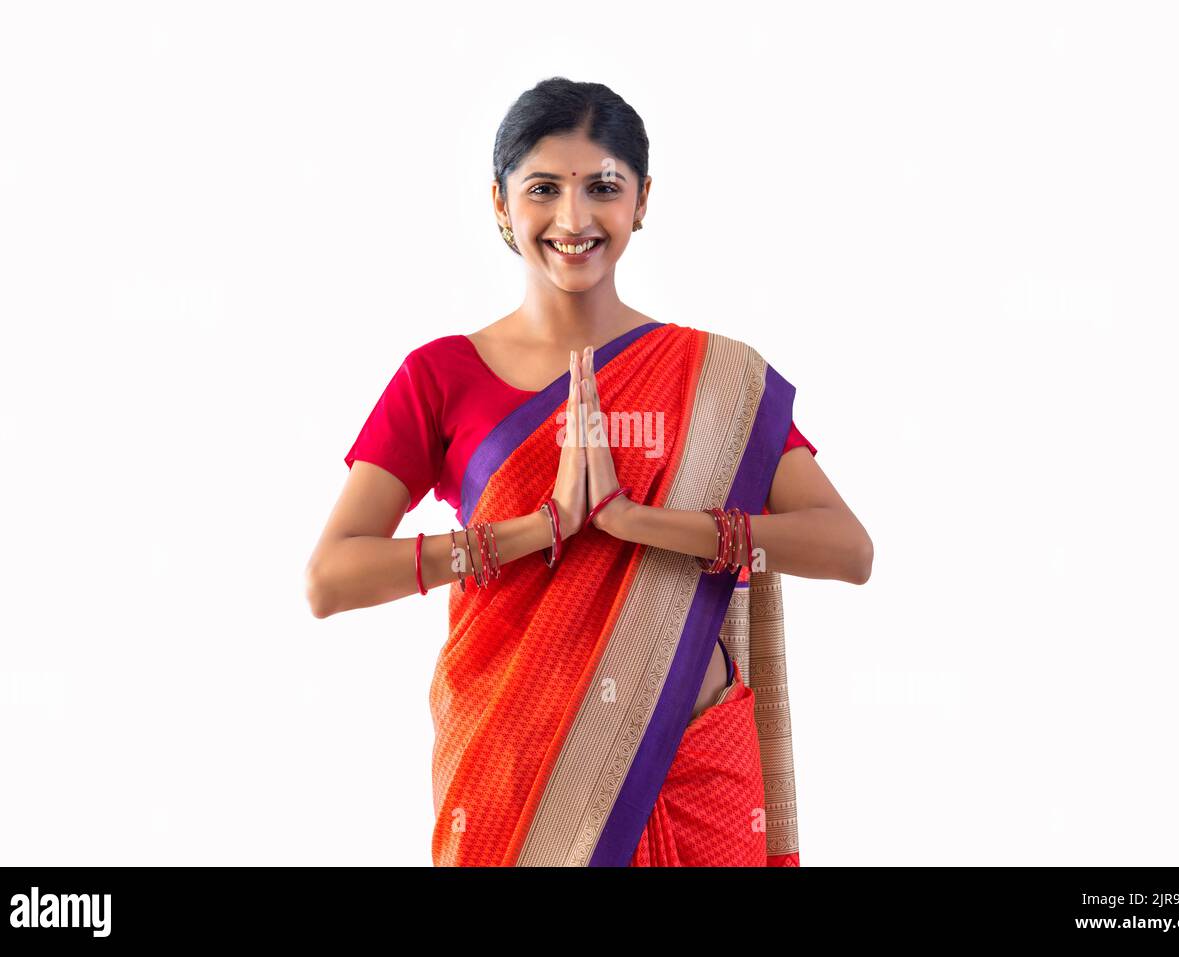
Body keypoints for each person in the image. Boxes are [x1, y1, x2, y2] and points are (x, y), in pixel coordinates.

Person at [305, 77, 873, 867]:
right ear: (502, 206)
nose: (573, 219)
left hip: (693, 761)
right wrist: (530, 532)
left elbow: (848, 552)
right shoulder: (442, 376)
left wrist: (637, 521)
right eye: (543, 188)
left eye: (602, 186)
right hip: (521, 776)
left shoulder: (714, 378)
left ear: (641, 200)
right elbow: (330, 577)